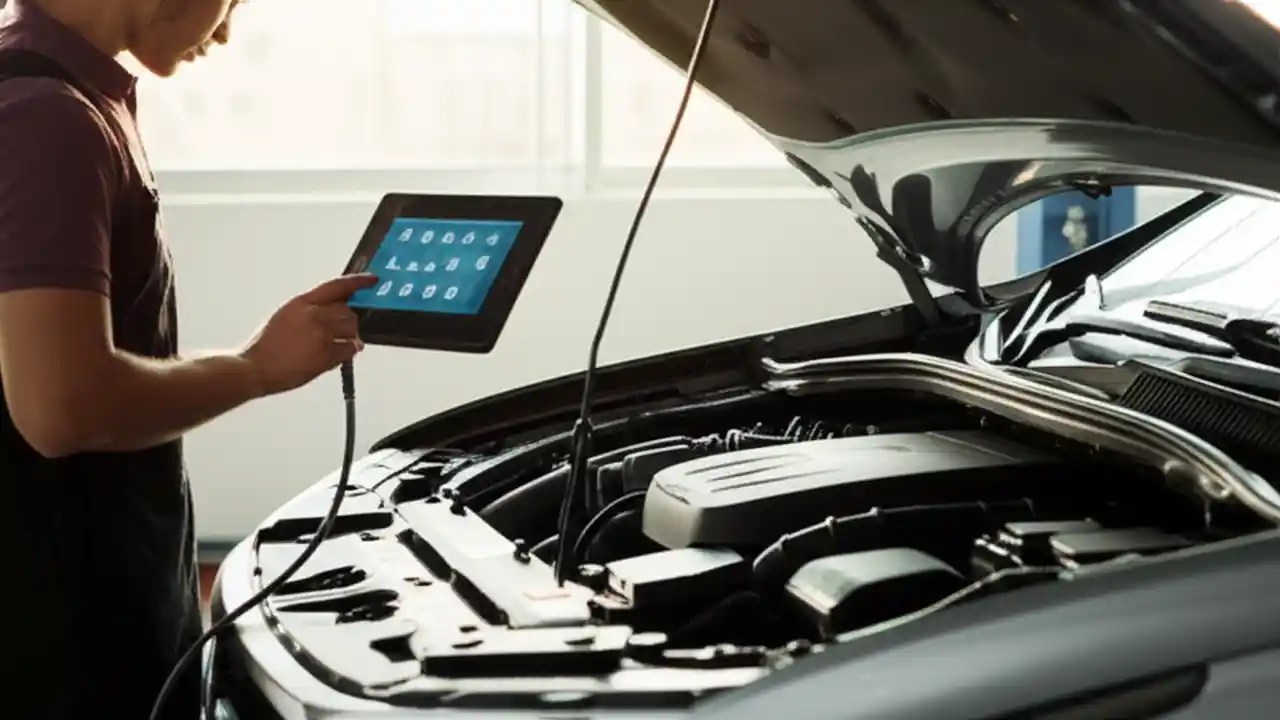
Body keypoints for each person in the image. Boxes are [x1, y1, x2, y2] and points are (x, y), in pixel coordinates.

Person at [0, 0, 378, 717]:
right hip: (64, 640)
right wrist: (256, 368)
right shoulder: (46, 120)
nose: (228, 26)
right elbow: (60, 408)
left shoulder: (62, 95)